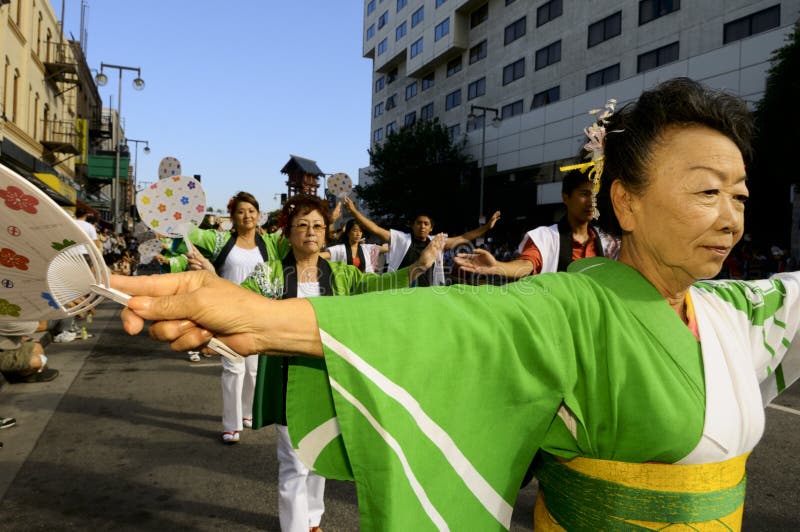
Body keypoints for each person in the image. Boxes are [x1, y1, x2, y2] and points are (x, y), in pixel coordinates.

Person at [111, 78, 799, 530]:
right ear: (627, 200)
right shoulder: (571, 304)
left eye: (739, 195)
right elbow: (453, 328)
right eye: (708, 191)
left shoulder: (738, 310)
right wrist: (257, 317)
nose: (731, 216)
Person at [237, 194, 442, 532]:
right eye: (302, 225)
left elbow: (380, 286)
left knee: (319, 456)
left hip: (330, 380)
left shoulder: (342, 276)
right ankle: (295, 527)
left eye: (317, 225)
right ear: (288, 233)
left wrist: (419, 266)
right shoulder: (270, 274)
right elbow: (239, 301)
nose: (310, 232)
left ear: (327, 233)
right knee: (293, 464)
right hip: (288, 380)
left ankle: (314, 518)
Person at [176, 191, 290, 443]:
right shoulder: (220, 240)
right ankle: (231, 424)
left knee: (253, 370)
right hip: (226, 313)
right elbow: (190, 234)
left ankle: (248, 412)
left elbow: (292, 238)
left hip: (258, 313)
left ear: (259, 215)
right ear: (233, 217)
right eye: (241, 211)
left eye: (251, 211)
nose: (247, 215)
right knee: (232, 369)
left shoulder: (269, 243)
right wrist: (179, 219)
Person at [453, 170, 619, 279]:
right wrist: (498, 266)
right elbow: (527, 264)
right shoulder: (544, 238)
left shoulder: (608, 242)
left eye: (594, 195)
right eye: (584, 194)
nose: (591, 202)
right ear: (565, 197)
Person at [343, 196, 500, 286]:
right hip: (401, 292)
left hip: (427, 294)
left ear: (431, 228)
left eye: (426, 224)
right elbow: (375, 229)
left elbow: (464, 238)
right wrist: (355, 211)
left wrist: (486, 227)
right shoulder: (400, 239)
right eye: (419, 223)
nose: (422, 227)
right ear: (412, 225)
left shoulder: (437, 243)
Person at [323, 219, 387, 273]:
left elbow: (389, 248)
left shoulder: (366, 248)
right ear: (348, 232)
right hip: (346, 285)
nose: (358, 234)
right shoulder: (340, 249)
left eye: (360, 231)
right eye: (355, 230)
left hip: (363, 284)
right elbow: (321, 255)